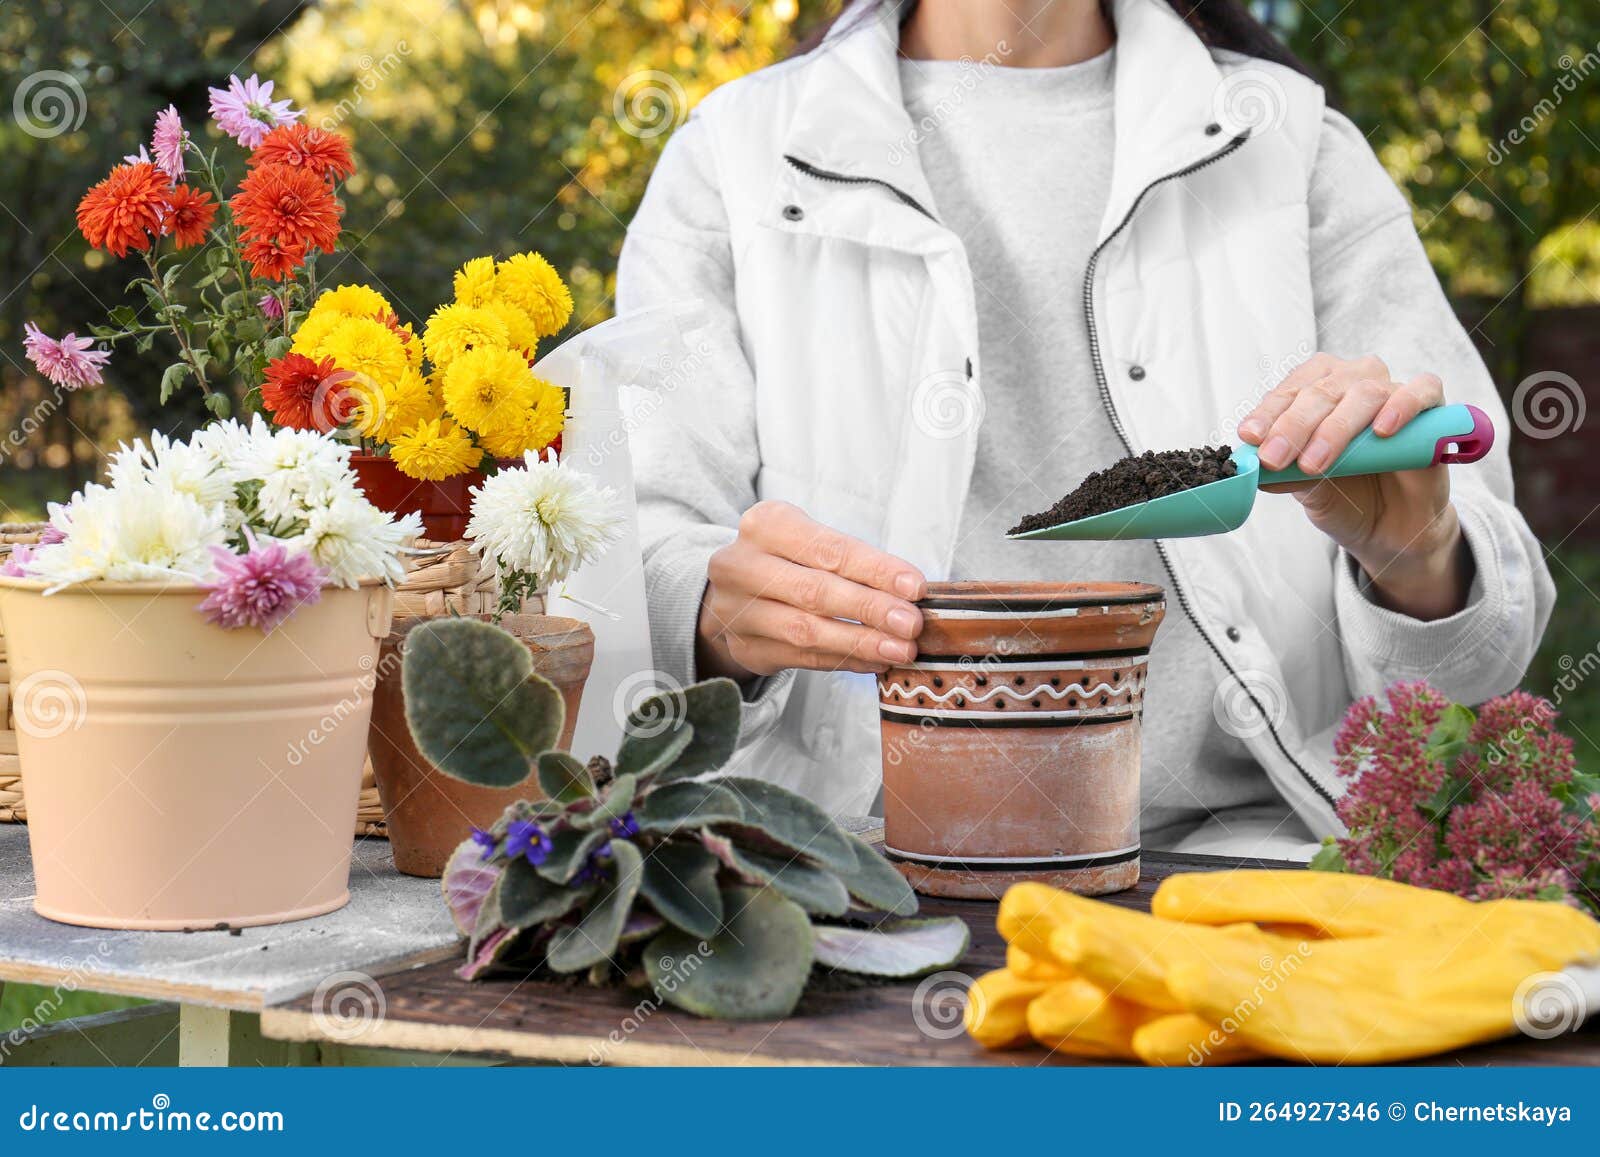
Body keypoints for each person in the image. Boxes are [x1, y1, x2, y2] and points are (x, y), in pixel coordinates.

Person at [616, 0, 1553, 858]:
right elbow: (630, 571)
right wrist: (716, 615)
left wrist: (1419, 553)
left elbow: (1483, 658)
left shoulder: (1297, 149)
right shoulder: (731, 159)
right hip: (841, 866)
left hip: (1237, 869)